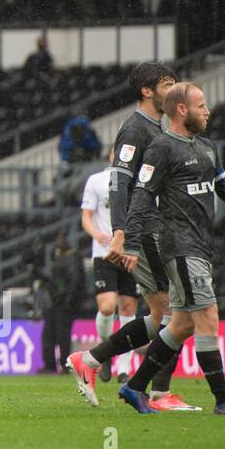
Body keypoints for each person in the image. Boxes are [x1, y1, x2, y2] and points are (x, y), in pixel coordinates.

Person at [117, 82, 225, 415]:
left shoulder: (207, 148)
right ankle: (223, 401)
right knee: (208, 318)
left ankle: (135, 387)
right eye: (201, 105)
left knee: (181, 325)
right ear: (181, 109)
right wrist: (132, 242)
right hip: (179, 246)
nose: (207, 110)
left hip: (200, 246)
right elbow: (140, 195)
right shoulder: (161, 148)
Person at [67, 62, 198, 411]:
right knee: (174, 313)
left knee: (163, 317)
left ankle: (92, 361)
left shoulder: (160, 128)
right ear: (147, 90)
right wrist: (123, 234)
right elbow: (120, 183)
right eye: (168, 84)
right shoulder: (135, 130)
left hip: (158, 229)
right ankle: (157, 393)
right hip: (146, 231)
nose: (174, 89)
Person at [81, 148, 138, 384]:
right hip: (104, 253)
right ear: (112, 154)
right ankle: (105, 352)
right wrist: (97, 235)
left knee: (128, 309)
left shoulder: (137, 181)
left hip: (131, 254)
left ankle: (124, 369)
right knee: (107, 307)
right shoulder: (96, 181)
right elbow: (86, 216)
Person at [36, 235, 83, 374]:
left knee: (58, 334)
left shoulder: (68, 260)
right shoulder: (71, 260)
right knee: (56, 334)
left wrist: (68, 300)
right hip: (58, 301)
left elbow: (72, 282)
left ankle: (57, 364)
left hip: (61, 303)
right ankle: (59, 364)